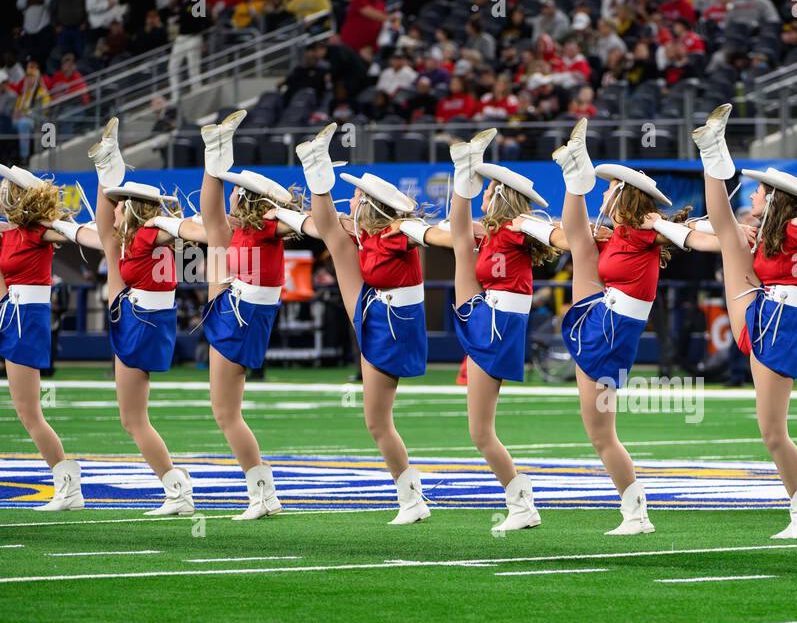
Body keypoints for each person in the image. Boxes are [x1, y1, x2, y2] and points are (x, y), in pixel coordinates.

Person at [552, 119, 726, 534]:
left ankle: (637, 514)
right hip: (599, 316)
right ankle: (573, 174)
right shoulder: (617, 233)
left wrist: (730, 240)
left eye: (611, 188)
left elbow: (697, 237)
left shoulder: (647, 228)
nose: (607, 193)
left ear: (626, 196)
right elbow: (572, 234)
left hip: (614, 332)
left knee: (601, 433)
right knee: (580, 241)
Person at [168, 110, 315, 518]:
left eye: (237, 191)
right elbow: (210, 214)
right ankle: (215, 153)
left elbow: (306, 223)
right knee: (225, 411)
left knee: (226, 412)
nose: (233, 196)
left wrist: (283, 210)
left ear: (248, 199)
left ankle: (263, 495)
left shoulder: (268, 225)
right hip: (232, 299)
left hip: (244, 311)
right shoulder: (240, 228)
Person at [693, 104, 797, 539]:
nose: (750, 196)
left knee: (772, 431)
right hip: (759, 309)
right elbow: (719, 223)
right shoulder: (764, 232)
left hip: (783, 324)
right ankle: (713, 155)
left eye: (757, 192)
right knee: (728, 231)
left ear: (774, 198)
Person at [294, 123, 431, 524]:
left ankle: (413, 499)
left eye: (356, 197)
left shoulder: (398, 233)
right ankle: (316, 166)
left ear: (372, 205)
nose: (351, 200)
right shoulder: (364, 233)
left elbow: (430, 234)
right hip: (374, 310)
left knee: (376, 420)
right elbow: (325, 225)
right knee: (335, 241)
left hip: (396, 324)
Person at [442, 128, 556, 533]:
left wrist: (567, 232)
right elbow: (458, 229)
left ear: (502, 196)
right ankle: (520, 502)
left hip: (500, 323)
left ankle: (522, 504)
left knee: (480, 431)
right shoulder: (491, 232)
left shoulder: (518, 226)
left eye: (488, 190)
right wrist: (465, 176)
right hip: (485, 313)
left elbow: (551, 233)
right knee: (479, 429)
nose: (485, 195)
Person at [86, 119, 194, 515]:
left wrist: (166, 219)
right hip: (133, 310)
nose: (112, 209)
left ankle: (177, 489)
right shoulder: (132, 239)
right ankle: (108, 161)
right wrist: (107, 175)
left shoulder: (149, 233)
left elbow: (185, 232)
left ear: (131, 210)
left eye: (119, 204)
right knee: (130, 417)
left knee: (133, 420)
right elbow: (104, 223)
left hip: (145, 321)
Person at [0, 164, 101, 511]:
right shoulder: (8, 232)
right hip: (7, 313)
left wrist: (101, 234)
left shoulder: (39, 231)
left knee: (29, 412)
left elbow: (79, 235)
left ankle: (68, 485)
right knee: (26, 410)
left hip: (26, 320)